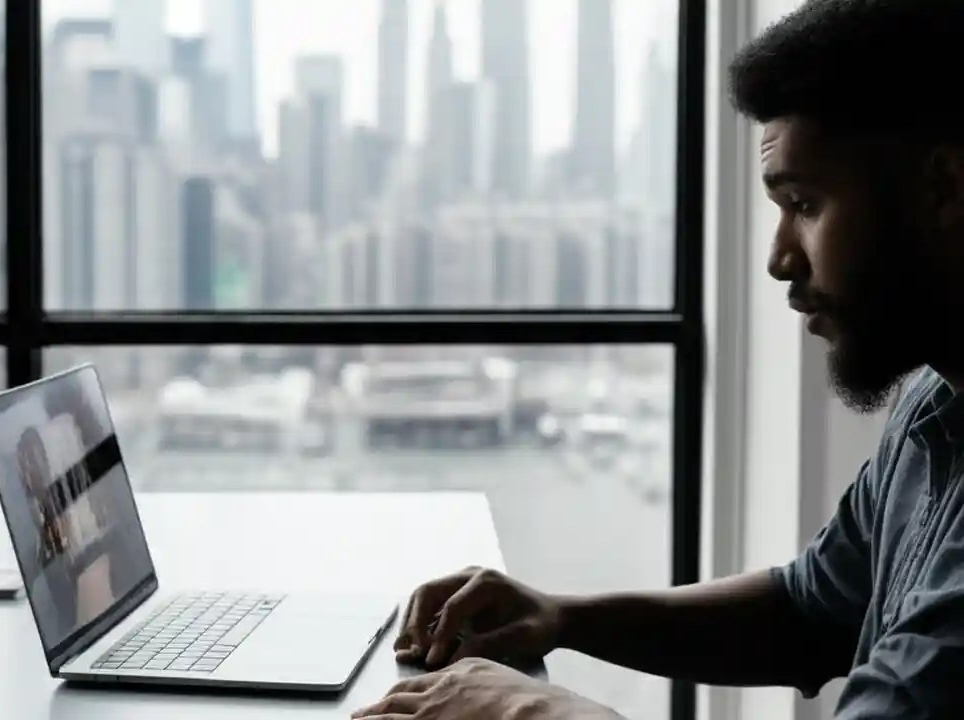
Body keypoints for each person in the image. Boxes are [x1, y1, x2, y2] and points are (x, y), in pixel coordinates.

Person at [353, 1, 964, 718]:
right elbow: (808, 612)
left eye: (804, 201)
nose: (778, 258)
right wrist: (561, 616)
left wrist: (532, 710)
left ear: (944, 189)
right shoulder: (934, 400)